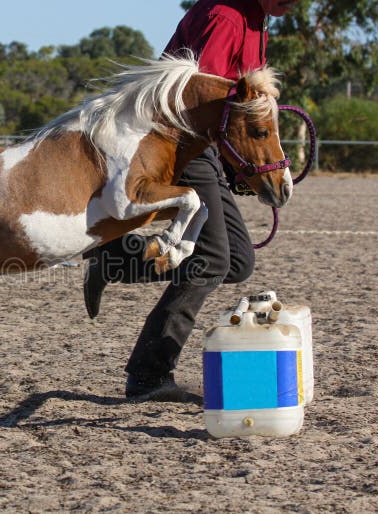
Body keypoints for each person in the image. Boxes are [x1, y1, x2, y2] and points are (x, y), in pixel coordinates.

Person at [83, 0, 298, 400]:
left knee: (237, 261)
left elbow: (238, 107)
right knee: (214, 259)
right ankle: (148, 376)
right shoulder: (226, 17)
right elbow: (197, 96)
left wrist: (240, 166)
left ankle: (115, 260)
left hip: (208, 150)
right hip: (180, 145)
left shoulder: (257, 20)